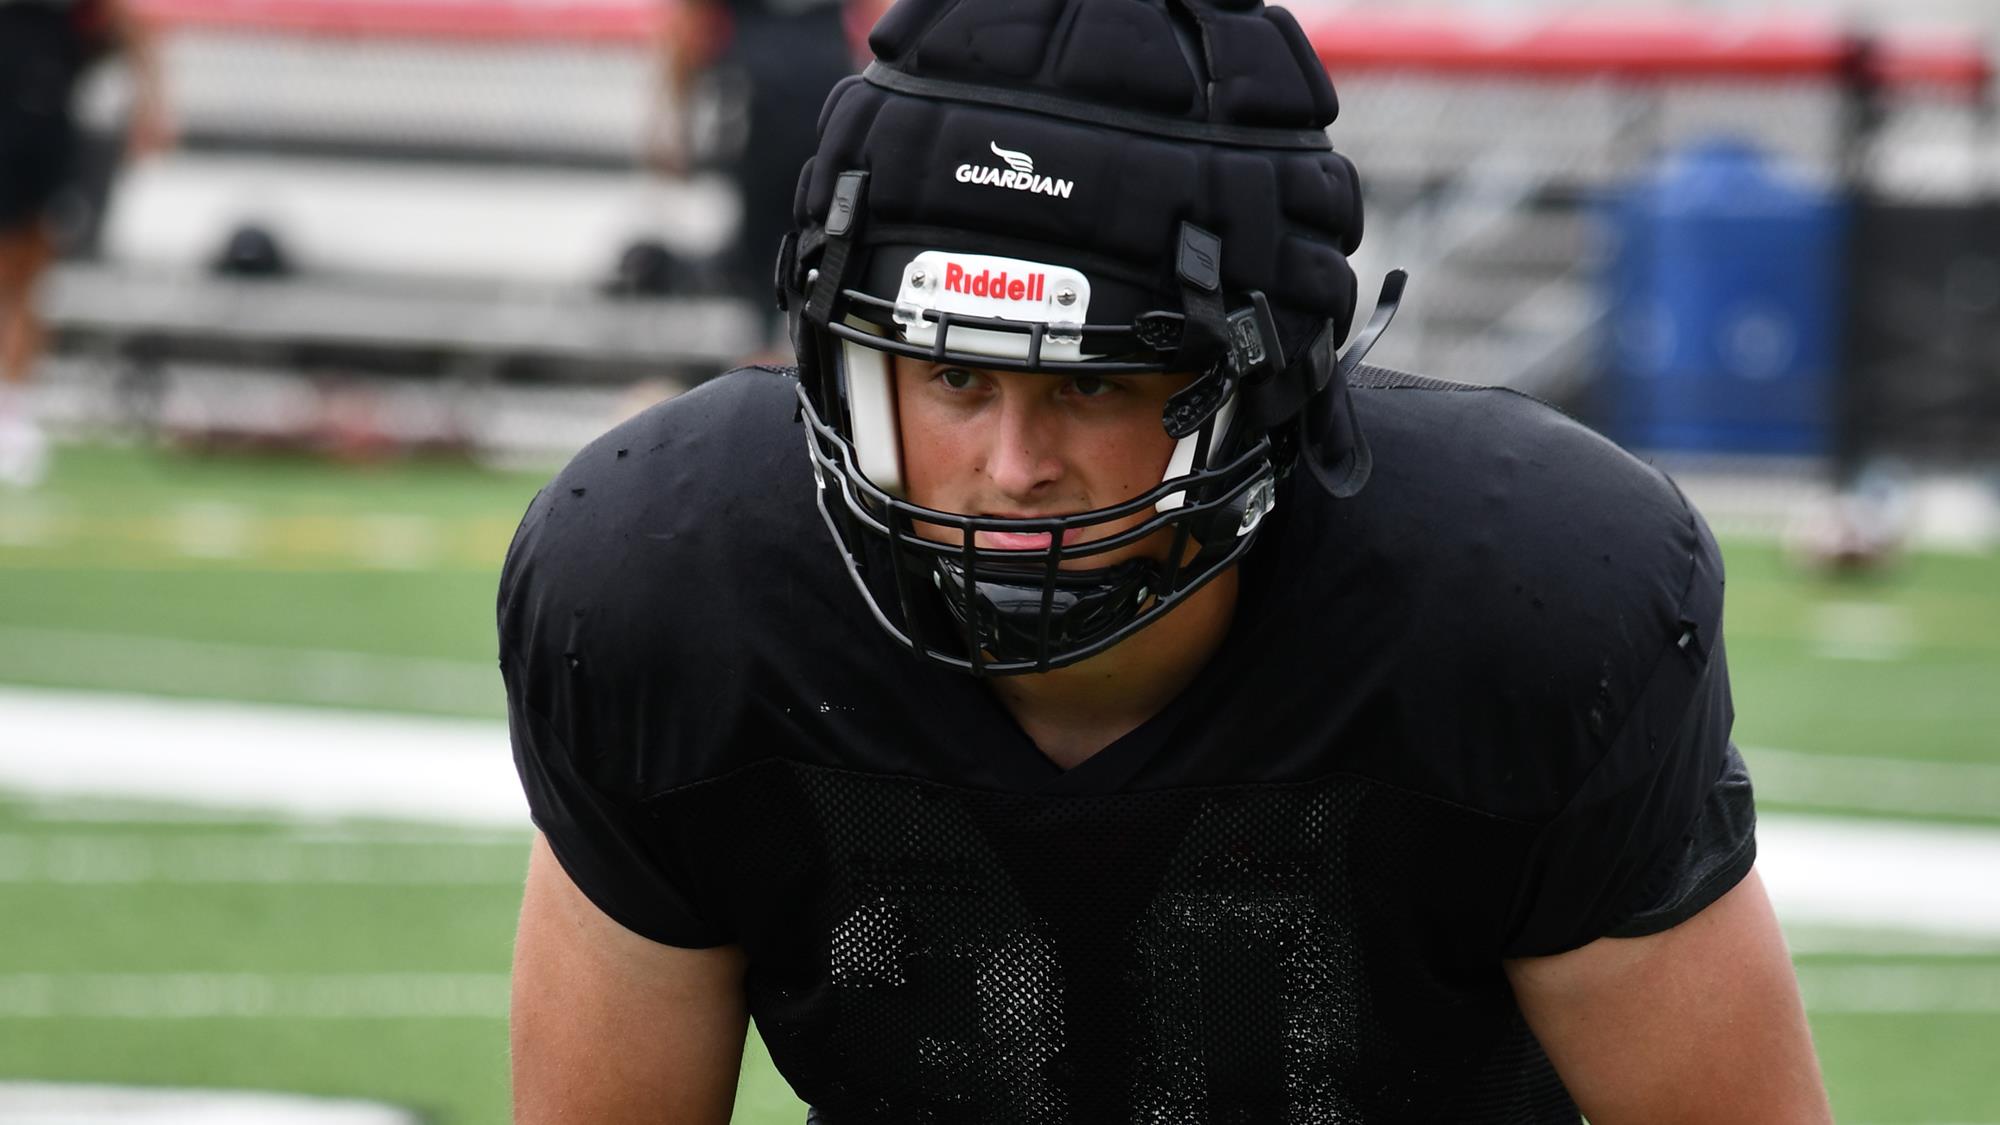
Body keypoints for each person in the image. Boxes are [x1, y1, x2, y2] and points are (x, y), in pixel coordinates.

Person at [504, 0, 1832, 1120]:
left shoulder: (1522, 612)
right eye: (956, 376)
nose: (1015, 466)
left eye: (1094, 388)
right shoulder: (672, 588)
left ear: (1256, 381)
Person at [0, 0, 171, 488]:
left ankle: (12, 418)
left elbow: (135, 31)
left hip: (43, 136)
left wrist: (151, 107)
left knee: (27, 278)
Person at [646, 0, 858, 349]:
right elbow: (688, 26)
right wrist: (672, 123)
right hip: (766, 109)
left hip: (811, 106)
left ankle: (799, 350)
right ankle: (770, 352)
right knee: (766, 259)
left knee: (815, 248)